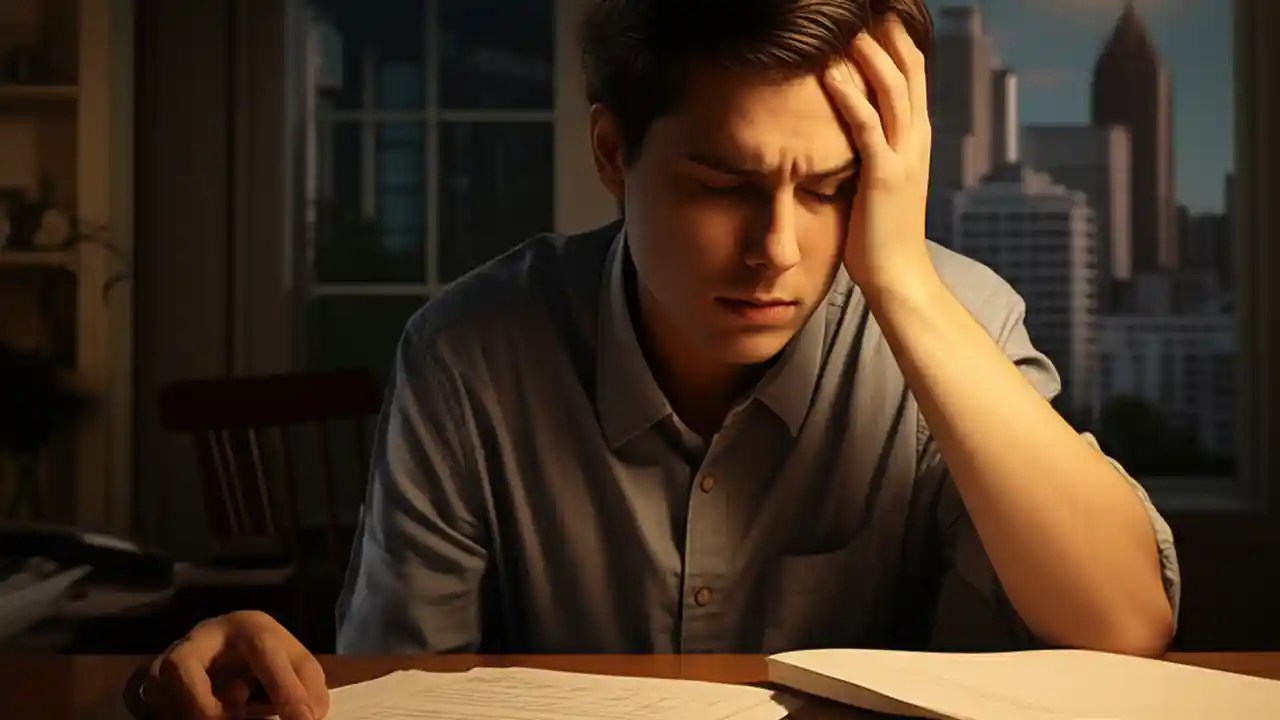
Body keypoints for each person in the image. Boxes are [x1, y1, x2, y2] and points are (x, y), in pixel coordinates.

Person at [137, 1, 1180, 718]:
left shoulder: (954, 321)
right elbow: (397, 683)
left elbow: (1124, 623)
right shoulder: (470, 353)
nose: (776, 247)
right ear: (609, 155)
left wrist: (898, 274)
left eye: (828, 188)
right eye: (723, 185)